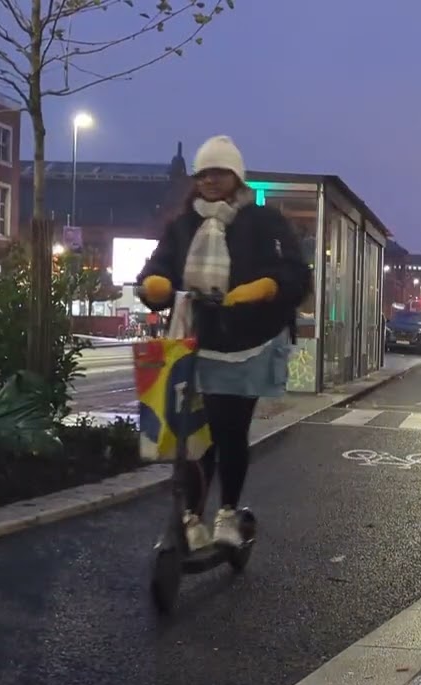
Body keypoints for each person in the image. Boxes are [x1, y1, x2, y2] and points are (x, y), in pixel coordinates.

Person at [137, 135, 312, 551]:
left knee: (229, 432)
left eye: (219, 172)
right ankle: (190, 515)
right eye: (203, 174)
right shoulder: (183, 226)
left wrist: (267, 287)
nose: (210, 180)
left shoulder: (264, 222)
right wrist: (154, 285)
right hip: (194, 340)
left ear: (236, 176)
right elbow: (159, 267)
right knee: (193, 439)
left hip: (247, 341)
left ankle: (228, 513)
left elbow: (295, 273)